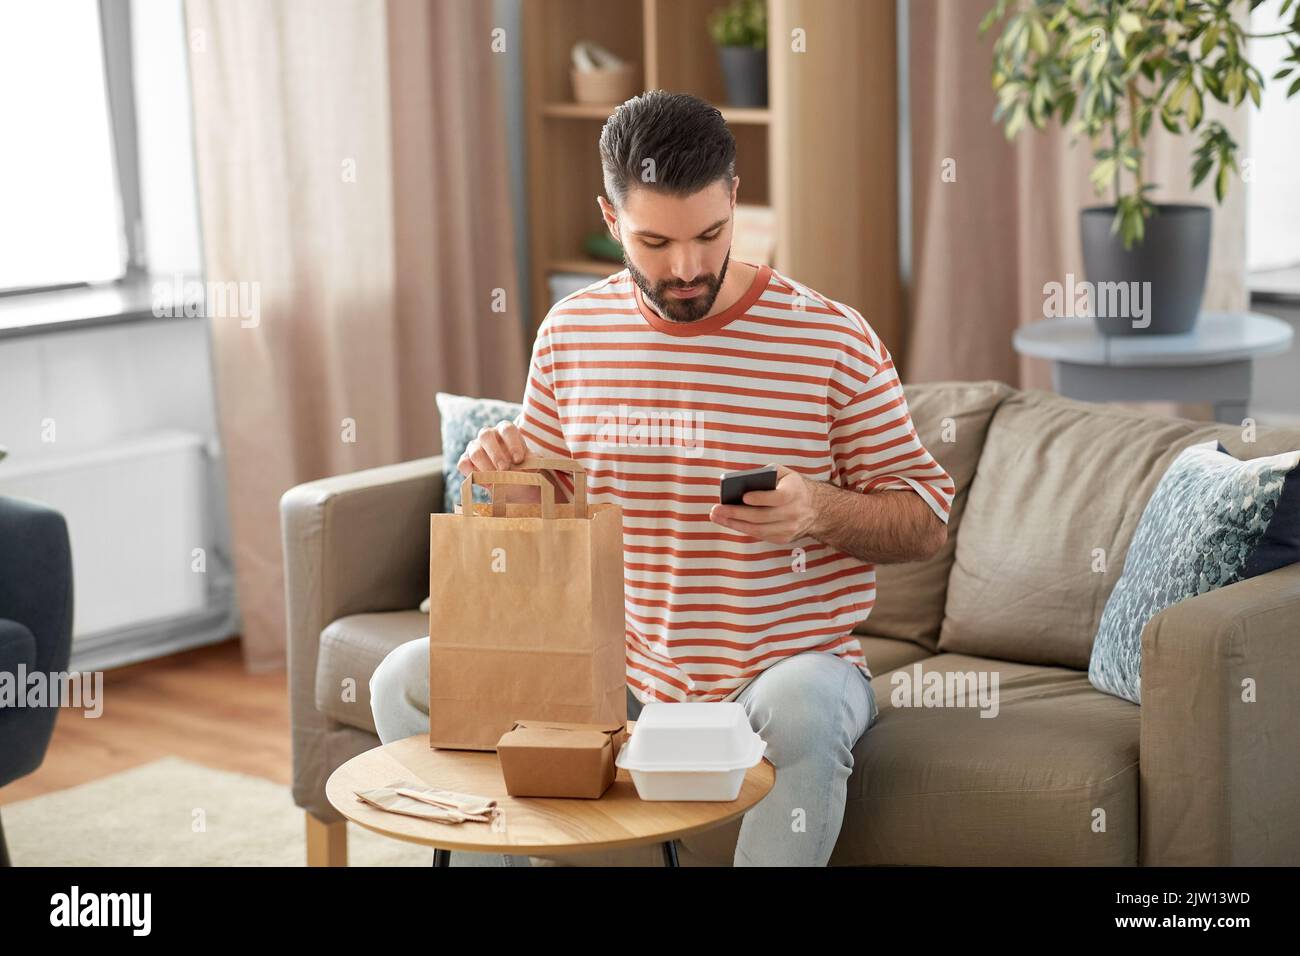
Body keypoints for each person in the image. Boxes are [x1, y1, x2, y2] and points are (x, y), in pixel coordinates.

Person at [370, 90, 952, 867]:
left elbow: (925, 522)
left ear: (736, 197)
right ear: (611, 220)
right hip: (616, 667)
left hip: (780, 673)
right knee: (404, 681)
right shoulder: (570, 335)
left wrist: (816, 509)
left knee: (805, 709)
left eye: (710, 234)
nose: (687, 268)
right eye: (655, 241)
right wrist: (505, 479)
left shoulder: (830, 340)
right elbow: (548, 534)